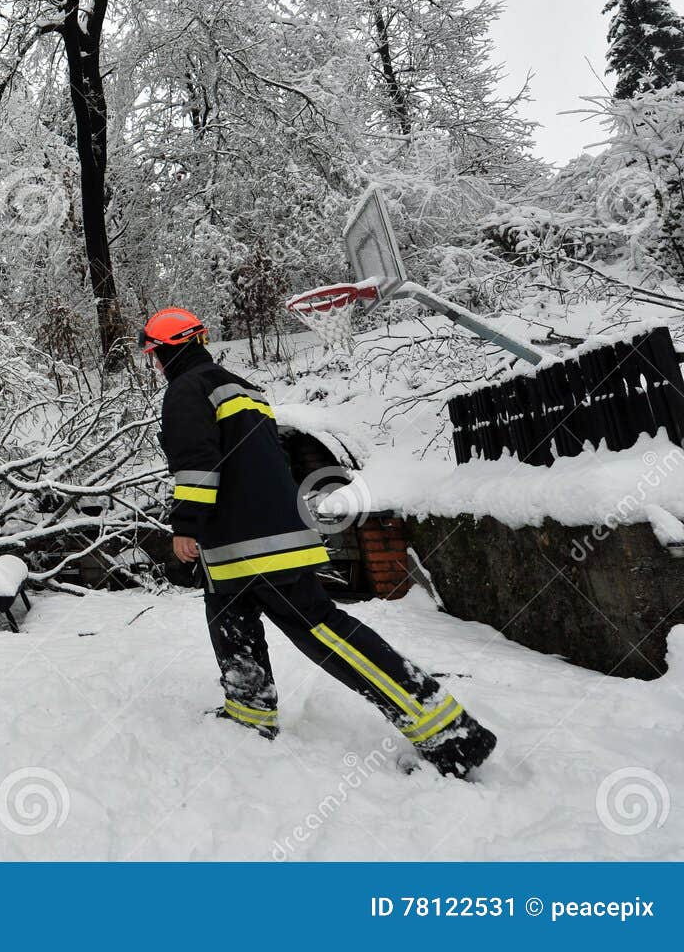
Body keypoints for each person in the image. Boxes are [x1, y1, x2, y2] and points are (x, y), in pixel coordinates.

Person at [144, 306, 496, 779]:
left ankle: (445, 729)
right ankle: (250, 712)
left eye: (152, 355)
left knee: (321, 629)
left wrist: (186, 523)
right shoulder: (241, 388)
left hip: (252, 541)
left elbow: (197, 464)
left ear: (164, 351)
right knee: (230, 616)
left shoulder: (186, 389)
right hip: (251, 537)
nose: (152, 364)